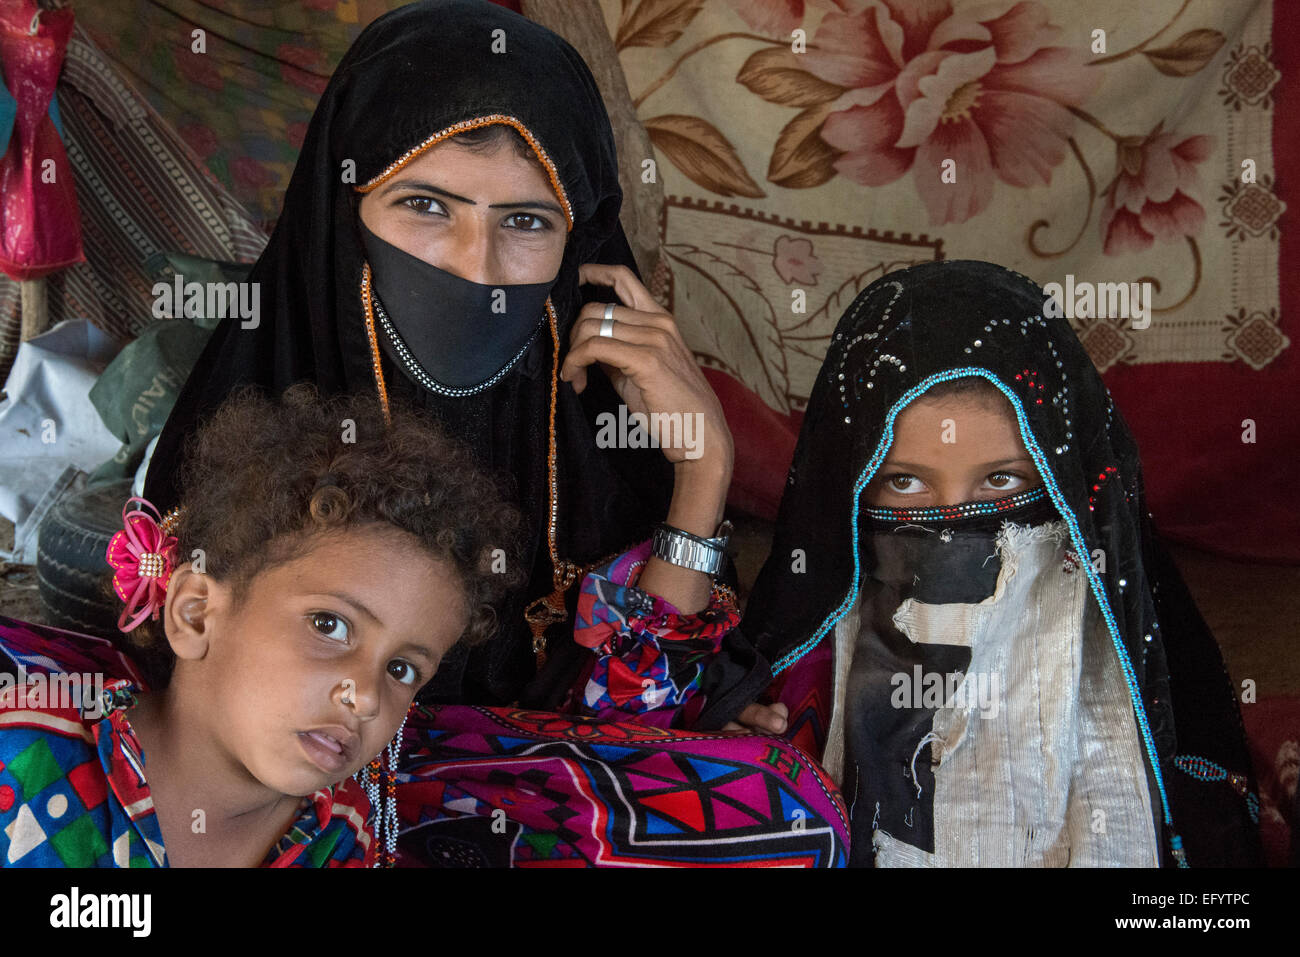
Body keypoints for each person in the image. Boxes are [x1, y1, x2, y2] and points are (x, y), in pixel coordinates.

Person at [141, 0, 762, 723]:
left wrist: (702, 467)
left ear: (580, 248)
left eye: (526, 221)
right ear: (344, 211)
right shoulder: (247, 447)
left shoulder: (602, 458)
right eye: (427, 205)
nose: (478, 267)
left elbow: (635, 716)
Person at [740, 260, 1262, 867]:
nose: (952, 523)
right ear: (848, 486)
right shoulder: (795, 676)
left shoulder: (1133, 694)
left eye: (1001, 480)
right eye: (904, 482)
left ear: (1065, 482)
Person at [0, 383, 521, 867]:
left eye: (403, 669)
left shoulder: (341, 836)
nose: (364, 697)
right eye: (330, 625)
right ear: (196, 614)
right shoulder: (26, 755)